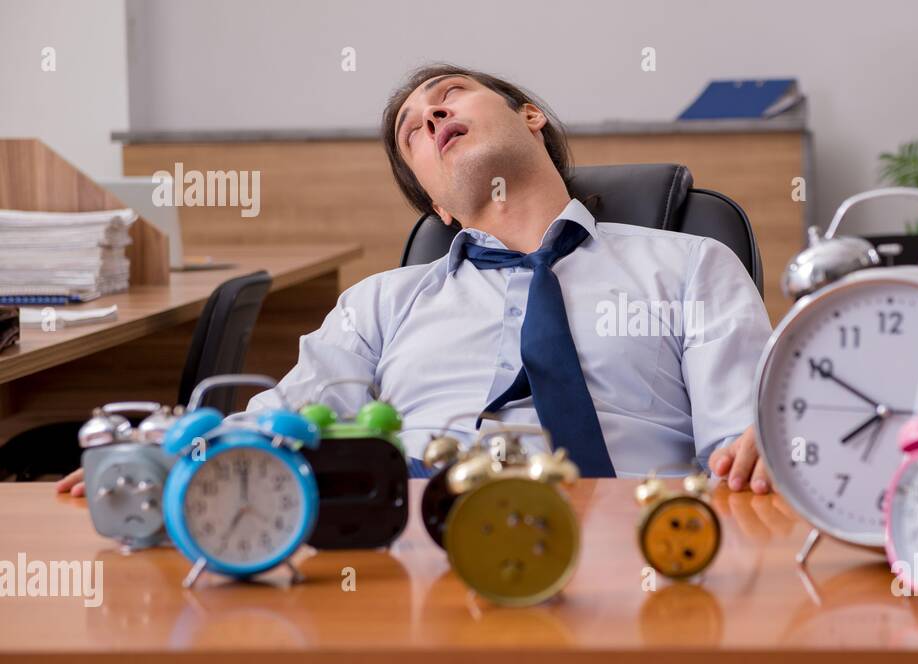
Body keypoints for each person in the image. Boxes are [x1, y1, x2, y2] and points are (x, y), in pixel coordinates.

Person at [59, 64, 775, 496]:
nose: (432, 115)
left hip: (635, 549)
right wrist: (171, 449)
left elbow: (741, 446)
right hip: (413, 552)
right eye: (411, 131)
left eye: (451, 95)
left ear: (532, 119)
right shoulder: (379, 303)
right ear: (435, 202)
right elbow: (282, 420)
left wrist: (763, 447)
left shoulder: (691, 266)